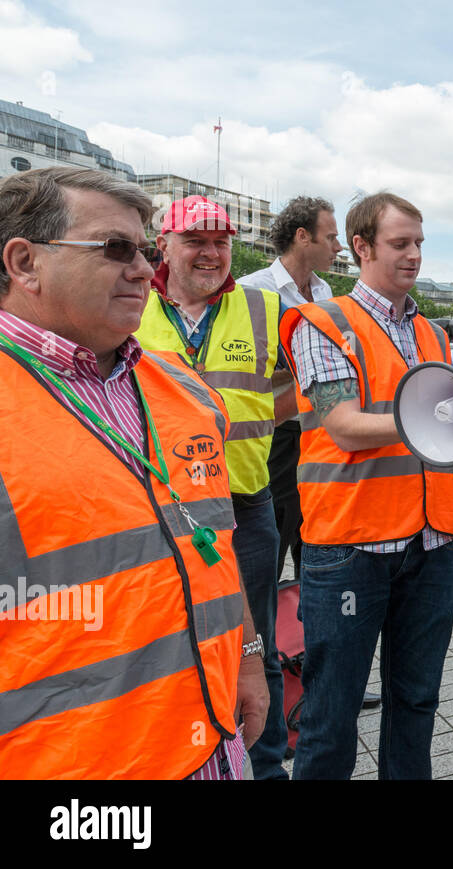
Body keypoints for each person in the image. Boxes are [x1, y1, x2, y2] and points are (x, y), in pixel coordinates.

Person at [0, 166, 267, 778]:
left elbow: (213, 547)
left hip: (213, 748)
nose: (146, 270)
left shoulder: (182, 390)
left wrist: (248, 658)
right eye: (115, 249)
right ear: (23, 262)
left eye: (145, 250)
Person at [282, 192, 453, 780]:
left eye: (418, 243)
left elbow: (450, 430)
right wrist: (451, 412)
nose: (413, 255)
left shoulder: (432, 334)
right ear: (361, 248)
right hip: (350, 548)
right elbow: (344, 426)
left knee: (416, 704)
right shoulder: (324, 322)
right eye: (399, 243)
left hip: (430, 544)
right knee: (330, 717)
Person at [135, 194, 289, 779]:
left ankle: (265, 766)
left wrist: (221, 416)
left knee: (257, 645)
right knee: (170, 640)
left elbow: (297, 390)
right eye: (196, 240)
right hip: (155, 507)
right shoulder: (128, 305)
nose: (211, 253)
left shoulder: (264, 307)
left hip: (245, 505)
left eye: (221, 241)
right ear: (164, 246)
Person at [236, 196, 341, 584]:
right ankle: (265, 634)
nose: (339, 246)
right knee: (273, 538)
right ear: (302, 237)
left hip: (322, 431)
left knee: (314, 538)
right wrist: (307, 370)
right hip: (278, 434)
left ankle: (304, 630)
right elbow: (242, 372)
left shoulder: (325, 291)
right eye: (330, 237)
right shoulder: (252, 291)